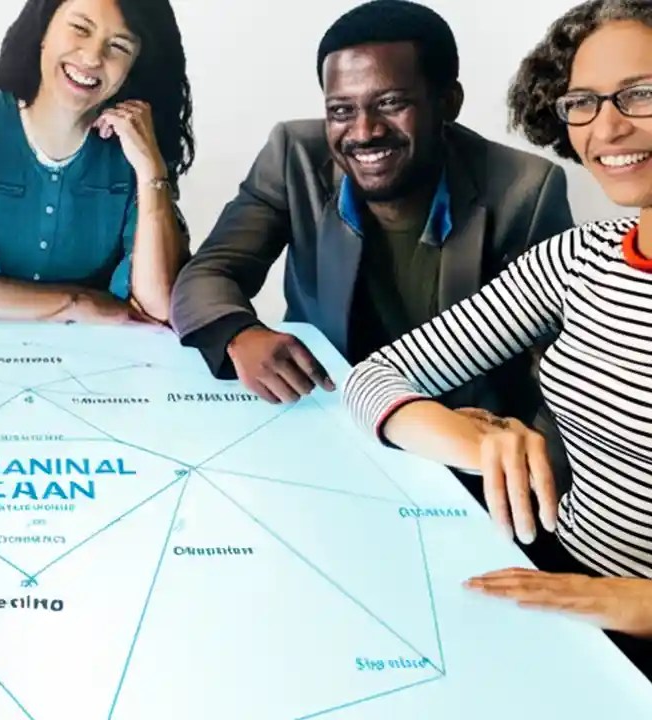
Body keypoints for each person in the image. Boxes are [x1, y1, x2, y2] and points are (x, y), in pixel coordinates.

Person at [343, 0, 651, 675]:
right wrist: (475, 442)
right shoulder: (577, 259)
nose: (608, 127)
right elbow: (371, 379)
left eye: (642, 93)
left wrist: (634, 602)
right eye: (583, 102)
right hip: (555, 583)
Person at [169, 2, 574, 450]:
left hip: (459, 437)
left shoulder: (524, 189)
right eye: (341, 110)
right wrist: (238, 333)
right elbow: (208, 273)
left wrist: (536, 462)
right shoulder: (294, 156)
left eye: (391, 103)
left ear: (448, 102)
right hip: (327, 418)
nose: (364, 131)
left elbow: (566, 360)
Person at [0, 0, 194, 325]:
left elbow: (156, 305)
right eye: (80, 28)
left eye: (119, 46)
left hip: (93, 350)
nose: (92, 58)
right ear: (43, 30)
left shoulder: (134, 146)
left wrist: (151, 171)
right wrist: (74, 303)